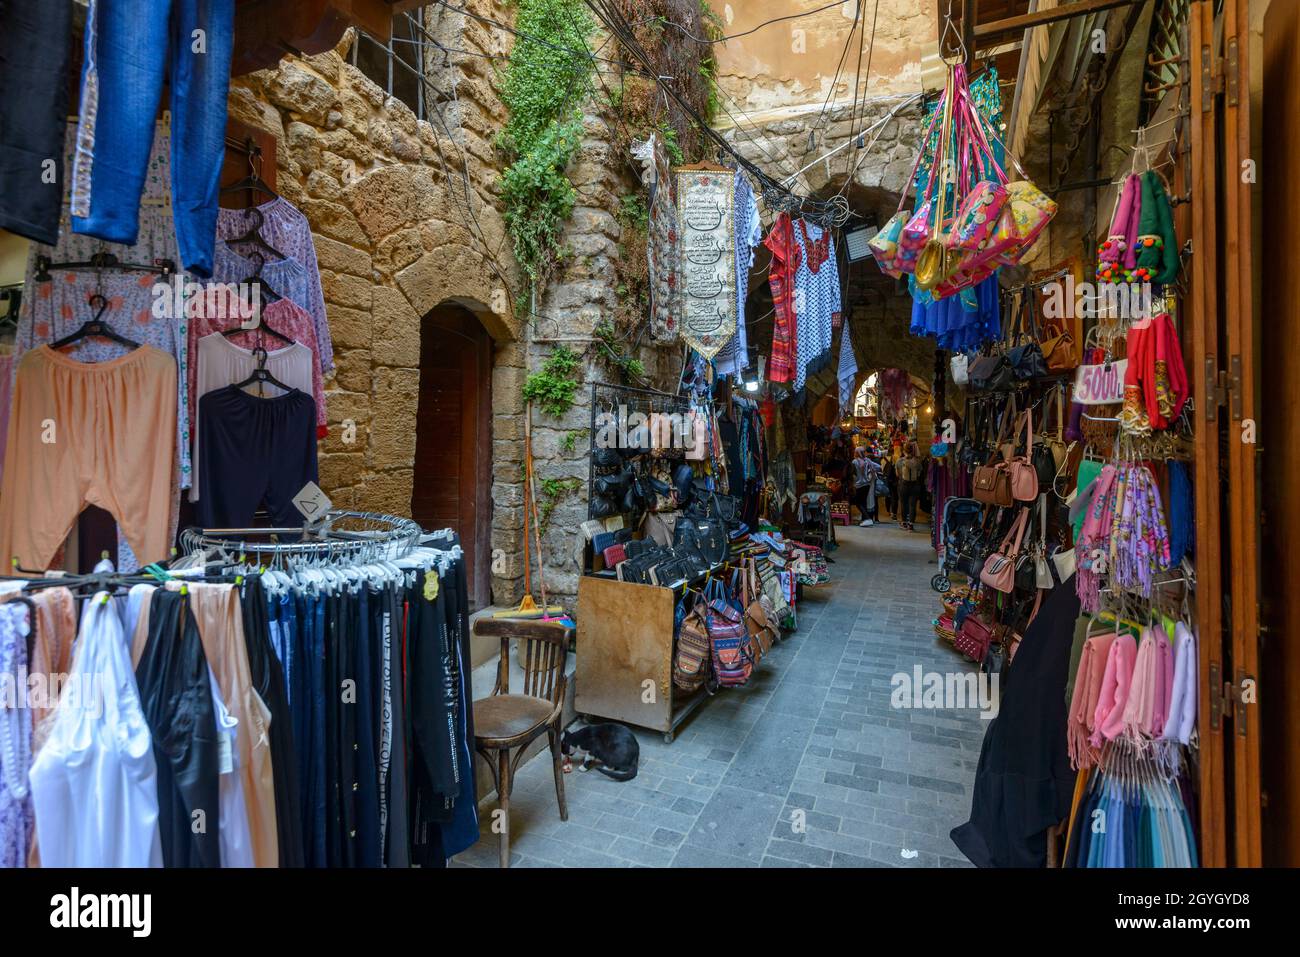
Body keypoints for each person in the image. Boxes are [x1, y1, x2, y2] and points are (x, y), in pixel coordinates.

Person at [896, 442, 925, 531]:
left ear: (904, 450)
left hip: (903, 484)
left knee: (903, 504)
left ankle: (904, 523)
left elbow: (897, 474)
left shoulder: (900, 461)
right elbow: (920, 473)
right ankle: (911, 525)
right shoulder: (917, 461)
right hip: (915, 484)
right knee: (912, 505)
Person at [851, 446, 877, 526]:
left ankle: (868, 518)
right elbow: (877, 468)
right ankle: (864, 519)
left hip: (859, 485)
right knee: (863, 502)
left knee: (857, 502)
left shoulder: (855, 462)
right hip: (867, 484)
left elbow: (853, 473)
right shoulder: (868, 460)